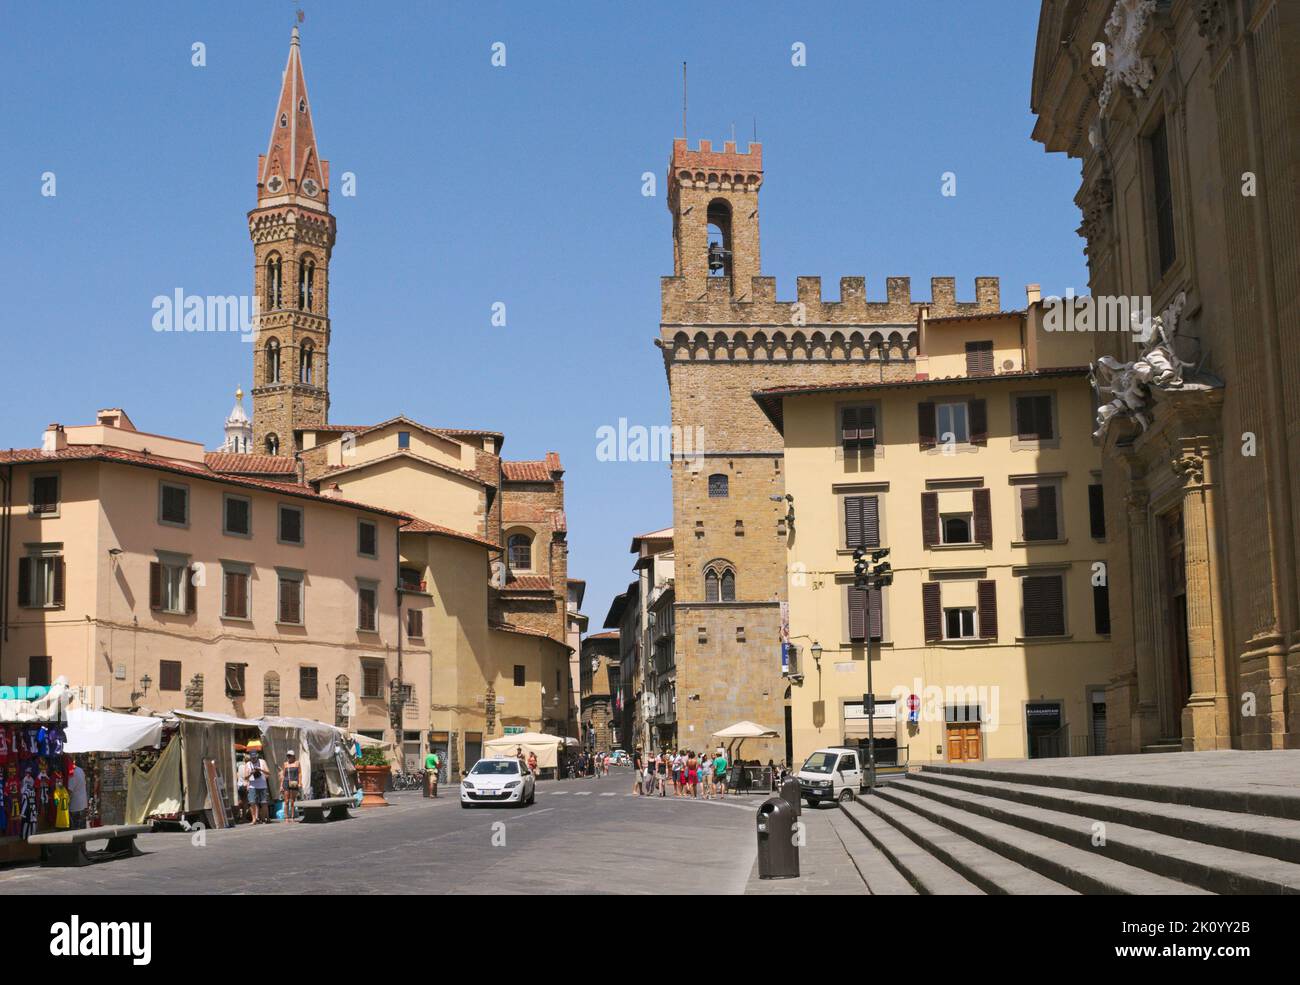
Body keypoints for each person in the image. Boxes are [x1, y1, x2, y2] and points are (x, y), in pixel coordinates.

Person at [241, 747, 270, 824]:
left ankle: (263, 818)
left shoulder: (262, 762)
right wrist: (251, 773)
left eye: (255, 757)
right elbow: (245, 777)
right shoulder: (248, 764)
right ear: (250, 757)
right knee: (252, 802)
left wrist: (260, 769)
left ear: (257, 756)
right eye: (252, 758)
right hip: (252, 786)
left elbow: (268, 773)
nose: (253, 759)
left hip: (262, 785)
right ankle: (254, 819)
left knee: (264, 802)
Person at [280, 751, 301, 821]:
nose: (288, 757)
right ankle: (286, 817)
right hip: (286, 782)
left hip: (294, 782)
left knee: (292, 800)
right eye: (288, 756)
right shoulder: (285, 764)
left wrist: (300, 783)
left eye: (290, 756)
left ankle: (292, 816)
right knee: (286, 801)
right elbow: (283, 775)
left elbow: (299, 773)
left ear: (293, 756)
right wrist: (281, 785)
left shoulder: (297, 763)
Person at [66, 760, 88, 830]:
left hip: (75, 806)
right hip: (83, 804)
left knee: (75, 830)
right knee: (82, 830)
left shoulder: (72, 773)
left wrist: (64, 802)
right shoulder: (80, 770)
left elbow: (70, 790)